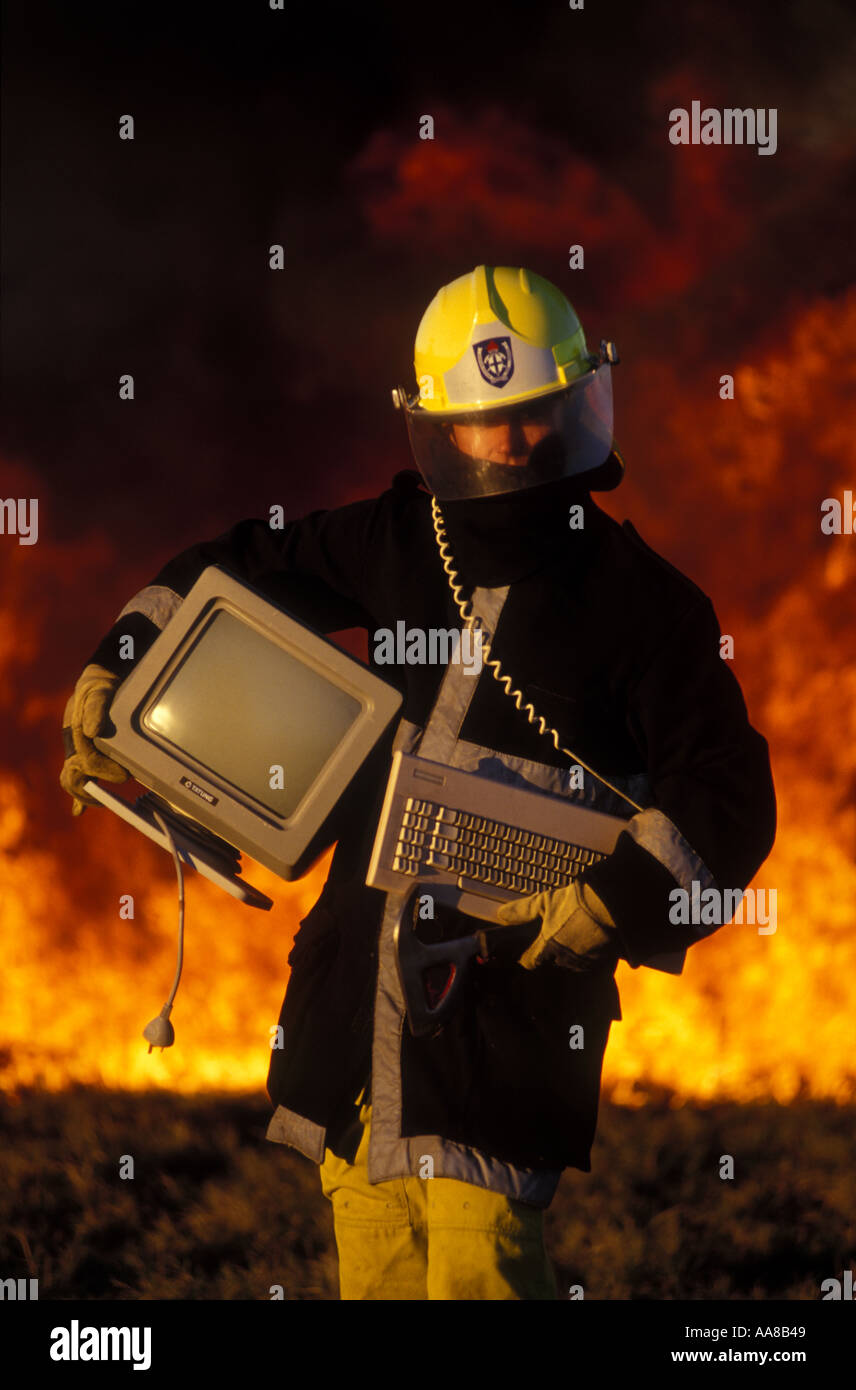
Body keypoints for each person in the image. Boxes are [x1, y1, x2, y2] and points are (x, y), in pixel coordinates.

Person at [60, 265, 777, 1300]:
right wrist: (117, 662)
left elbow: (725, 795)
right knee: (378, 1270)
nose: (514, 445)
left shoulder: (646, 606)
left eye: (534, 416)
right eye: (488, 423)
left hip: (510, 1015)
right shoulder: (397, 540)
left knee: (478, 1274)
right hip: (358, 1013)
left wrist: (605, 904)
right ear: (440, 426)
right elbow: (237, 567)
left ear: (579, 405)